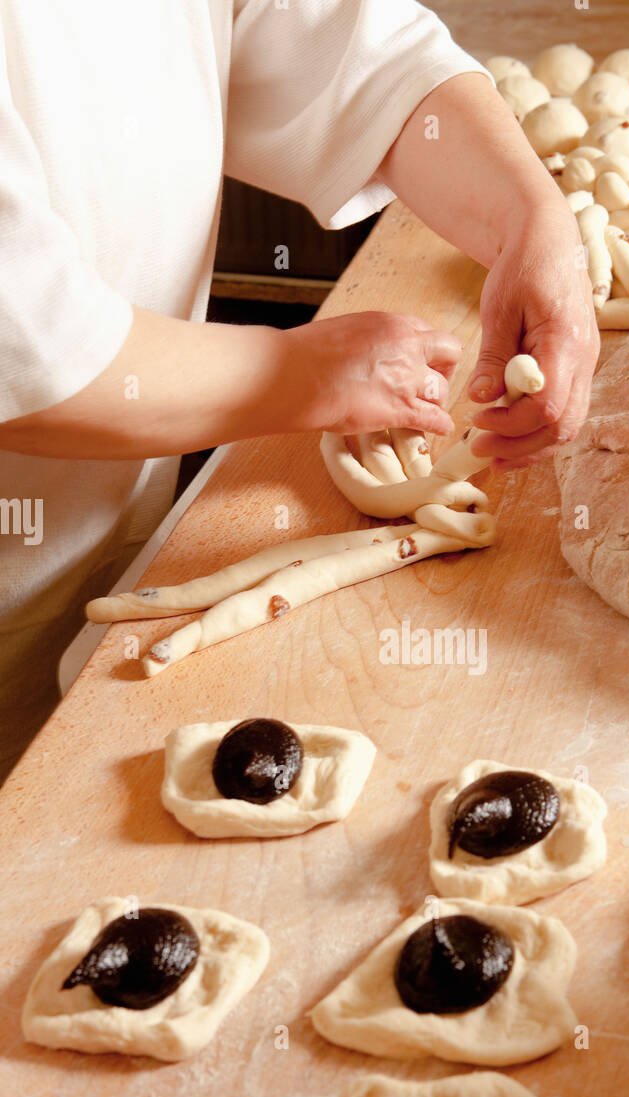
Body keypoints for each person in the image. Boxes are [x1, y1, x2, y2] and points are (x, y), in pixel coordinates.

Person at [0, 1, 598, 782]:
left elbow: (326, 37)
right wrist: (300, 375)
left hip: (101, 554)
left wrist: (527, 214)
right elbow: (33, 354)